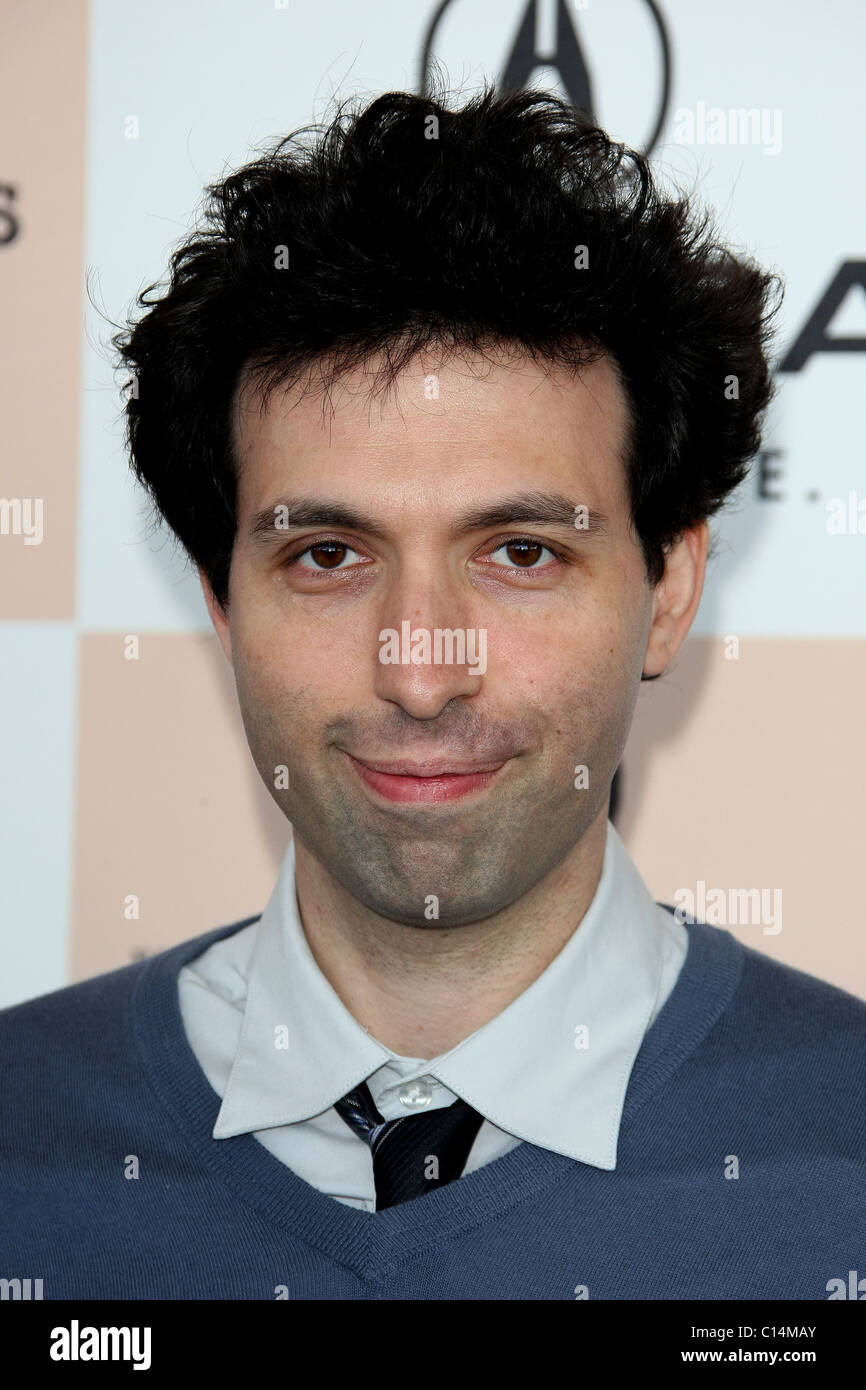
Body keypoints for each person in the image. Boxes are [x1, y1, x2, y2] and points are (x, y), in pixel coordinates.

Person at [2, 83, 863, 1302]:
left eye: (520, 553)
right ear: (220, 598)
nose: (416, 669)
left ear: (668, 585)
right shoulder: (18, 1147)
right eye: (326, 557)